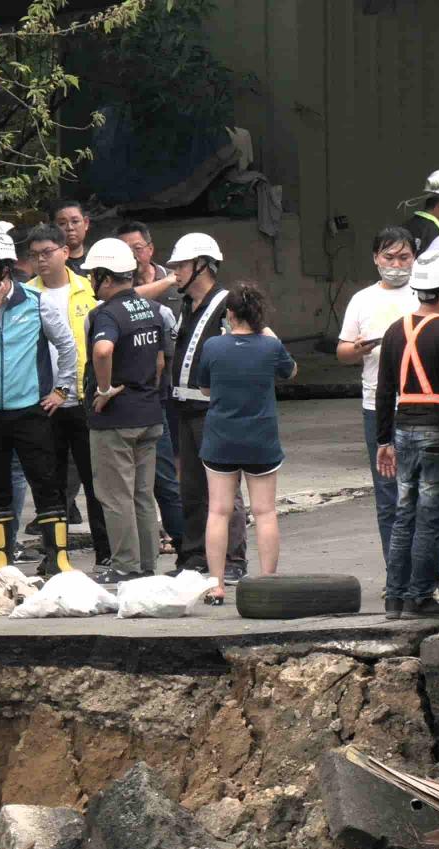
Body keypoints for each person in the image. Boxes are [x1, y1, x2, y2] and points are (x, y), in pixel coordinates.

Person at [0, 224, 80, 573]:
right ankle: (1, 555)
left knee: (45, 481)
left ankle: (58, 557)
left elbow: (67, 345)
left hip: (29, 409)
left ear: (4, 270)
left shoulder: (37, 302)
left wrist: (61, 390)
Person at [375, 251, 439, 620]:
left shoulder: (394, 330)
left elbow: (384, 391)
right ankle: (420, 597)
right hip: (438, 433)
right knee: (431, 517)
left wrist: (383, 441)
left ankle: (395, 599)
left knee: (405, 515)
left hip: (403, 430)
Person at [196, 283, 296, 604]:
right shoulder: (270, 347)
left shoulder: (212, 346)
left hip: (221, 438)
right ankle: (269, 583)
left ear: (229, 314)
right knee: (265, 512)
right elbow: (291, 370)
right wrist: (270, 336)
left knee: (218, 511)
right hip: (261, 439)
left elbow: (205, 390)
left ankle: (216, 585)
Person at [81, 238, 169, 583]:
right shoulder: (151, 310)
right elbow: (160, 360)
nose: (90, 281)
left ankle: (124, 567)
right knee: (143, 496)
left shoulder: (107, 314)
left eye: (93, 275)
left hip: (115, 420)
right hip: (148, 414)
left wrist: (104, 389)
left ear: (105, 276)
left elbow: (102, 351)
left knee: (115, 496)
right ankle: (147, 566)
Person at [24, 225, 110, 568]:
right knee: (50, 483)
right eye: (35, 255)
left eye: (47, 252)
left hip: (85, 400)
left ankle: (105, 554)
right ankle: (53, 556)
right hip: (43, 402)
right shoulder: (25, 295)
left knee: (96, 483)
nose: (41, 260)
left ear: (64, 251)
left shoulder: (88, 289)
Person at [165, 232, 248, 582]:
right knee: (193, 488)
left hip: (215, 410)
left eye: (181, 266)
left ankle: (233, 558)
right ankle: (197, 554)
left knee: (224, 486)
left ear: (203, 266)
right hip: (186, 409)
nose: (175, 273)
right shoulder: (186, 306)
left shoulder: (228, 304)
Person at [335, 227, 419, 559]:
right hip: (377, 408)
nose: (396, 264)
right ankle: (396, 570)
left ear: (415, 259)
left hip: (422, 406)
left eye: (404, 257)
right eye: (389, 257)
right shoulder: (363, 300)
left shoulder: (424, 293)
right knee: (388, 493)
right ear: (375, 259)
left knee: (429, 490)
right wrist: (356, 348)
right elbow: (342, 351)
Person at [116, 221, 185, 548]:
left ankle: (183, 536)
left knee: (171, 467)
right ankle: (154, 534)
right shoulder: (120, 293)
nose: (132, 254)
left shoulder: (177, 284)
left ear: (150, 249)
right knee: (142, 476)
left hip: (173, 386)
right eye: (124, 250)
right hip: (144, 394)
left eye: (137, 248)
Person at [51, 199, 91, 264]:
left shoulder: (97, 259)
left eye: (75, 221)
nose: (70, 227)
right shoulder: (50, 263)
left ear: (86, 223)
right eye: (62, 223)